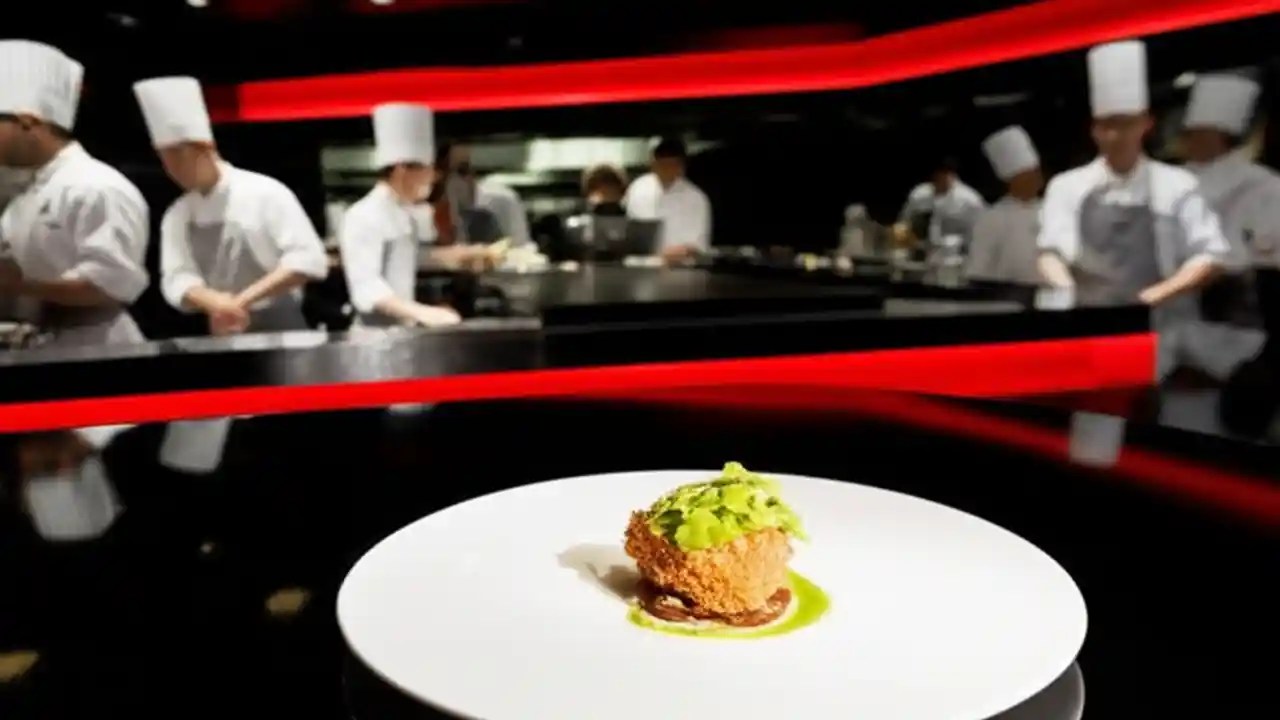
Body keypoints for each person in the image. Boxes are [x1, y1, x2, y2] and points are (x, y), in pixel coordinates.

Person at [1037, 40, 1245, 381]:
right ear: (1094, 129)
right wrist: (1064, 291)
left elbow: (1211, 255)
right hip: (1088, 325)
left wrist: (1155, 295)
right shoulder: (1067, 186)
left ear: (1145, 123)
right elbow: (1050, 252)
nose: (1115, 134)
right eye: (1106, 124)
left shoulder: (1178, 185)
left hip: (1163, 329)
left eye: (1125, 123)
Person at [134, 76, 329, 336]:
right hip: (223, 331)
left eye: (178, 157)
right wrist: (215, 303)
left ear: (206, 146)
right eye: (164, 160)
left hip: (283, 327)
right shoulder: (177, 214)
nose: (172, 170)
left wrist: (239, 302)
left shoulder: (265, 192)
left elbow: (309, 260)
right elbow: (176, 279)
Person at [0, 40, 149, 348]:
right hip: (41, 344)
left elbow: (108, 286)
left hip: (99, 347)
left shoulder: (96, 186)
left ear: (28, 122)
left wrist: (17, 285)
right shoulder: (24, 196)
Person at [1166, 73, 1280, 381]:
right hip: (1171, 332)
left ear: (1221, 134)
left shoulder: (1263, 185)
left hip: (1237, 340)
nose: (1186, 139)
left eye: (1194, 132)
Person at [340, 103, 466, 328]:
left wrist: (457, 258)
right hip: (373, 337)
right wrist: (422, 312)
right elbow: (366, 288)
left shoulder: (405, 214)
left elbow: (408, 260)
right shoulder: (363, 215)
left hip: (402, 330)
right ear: (402, 170)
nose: (433, 178)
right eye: (427, 170)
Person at [965, 126, 1046, 285]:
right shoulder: (992, 219)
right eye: (1027, 176)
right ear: (1011, 181)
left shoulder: (1052, 209)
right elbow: (977, 271)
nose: (1036, 180)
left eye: (1036, 173)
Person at [624, 137, 712, 264]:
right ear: (653, 164)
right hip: (640, 270)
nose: (665, 170)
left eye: (670, 165)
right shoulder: (638, 188)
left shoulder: (696, 198)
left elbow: (697, 246)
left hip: (680, 273)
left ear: (681, 167)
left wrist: (666, 256)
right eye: (660, 165)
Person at [438, 142, 532, 247]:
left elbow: (521, 255)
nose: (469, 180)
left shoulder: (500, 203)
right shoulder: (426, 212)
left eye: (464, 171)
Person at [896, 156, 986, 248]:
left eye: (946, 173)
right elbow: (904, 224)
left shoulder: (970, 200)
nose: (941, 177)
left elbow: (982, 233)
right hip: (921, 252)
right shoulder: (919, 195)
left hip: (958, 254)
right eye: (938, 174)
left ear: (953, 174)